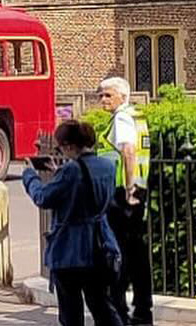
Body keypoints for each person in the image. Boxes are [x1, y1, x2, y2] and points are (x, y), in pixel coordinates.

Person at [22, 120, 124, 326]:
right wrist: (59, 171)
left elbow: (43, 197)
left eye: (61, 148)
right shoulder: (108, 165)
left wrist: (30, 176)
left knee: (71, 311)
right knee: (101, 305)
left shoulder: (71, 172)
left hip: (70, 250)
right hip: (100, 245)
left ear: (69, 146)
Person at [98, 77, 153, 326]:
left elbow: (128, 152)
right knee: (137, 253)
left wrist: (129, 188)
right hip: (139, 191)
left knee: (118, 253)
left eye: (108, 95)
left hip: (123, 194)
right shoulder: (137, 115)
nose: (103, 100)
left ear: (122, 96)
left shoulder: (121, 118)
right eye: (101, 95)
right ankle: (143, 308)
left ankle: (119, 309)